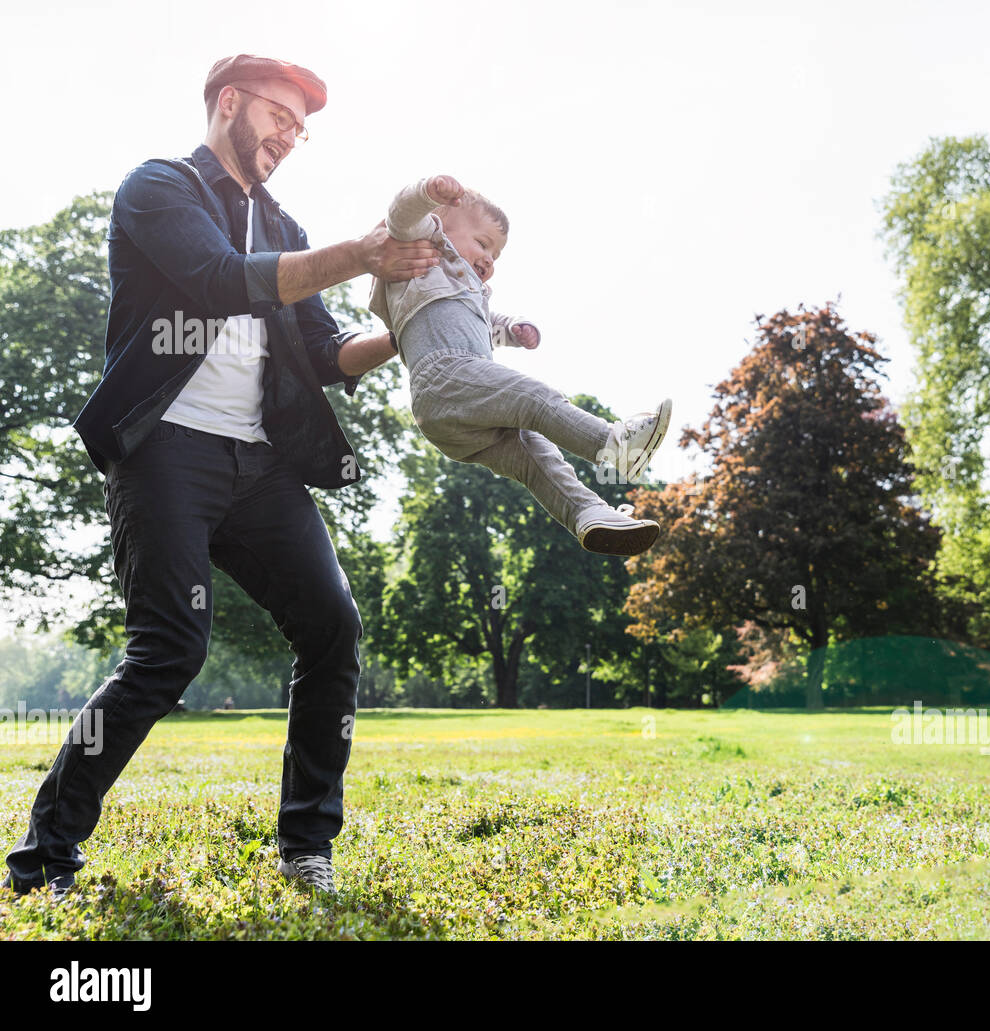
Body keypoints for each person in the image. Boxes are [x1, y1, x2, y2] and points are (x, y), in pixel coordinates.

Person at [2, 54, 438, 900]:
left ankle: (308, 843)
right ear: (230, 102)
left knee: (332, 627)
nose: (290, 136)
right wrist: (362, 254)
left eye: (302, 128)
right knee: (170, 649)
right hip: (167, 449)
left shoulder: (283, 226)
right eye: (282, 115)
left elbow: (322, 354)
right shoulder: (158, 188)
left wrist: (405, 328)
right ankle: (43, 852)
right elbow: (215, 281)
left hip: (261, 463)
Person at [371, 174, 672, 556]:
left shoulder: (470, 294)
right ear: (439, 224)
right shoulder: (420, 255)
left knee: (533, 453)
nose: (488, 260)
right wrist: (428, 191)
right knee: (534, 397)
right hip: (444, 377)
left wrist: (514, 329)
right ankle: (612, 445)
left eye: (495, 256)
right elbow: (400, 214)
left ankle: (588, 513)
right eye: (482, 244)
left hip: (458, 414)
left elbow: (488, 328)